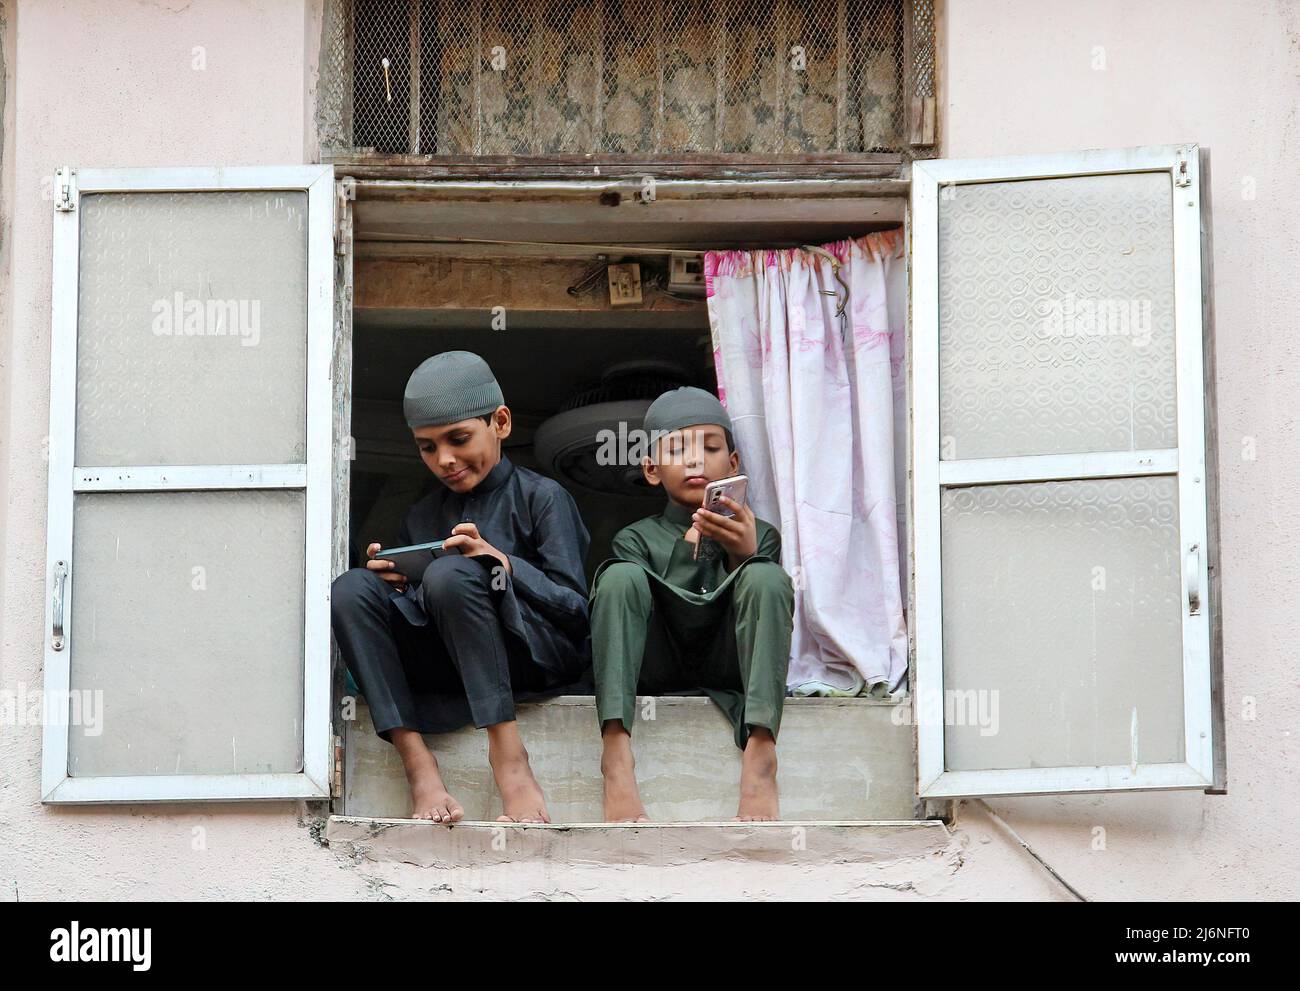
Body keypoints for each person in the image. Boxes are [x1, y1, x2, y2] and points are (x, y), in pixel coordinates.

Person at [331, 351, 590, 824]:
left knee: (451, 573)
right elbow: (422, 612)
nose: (444, 459)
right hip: (454, 664)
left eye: (458, 439)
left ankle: (510, 762)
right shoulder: (422, 515)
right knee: (352, 587)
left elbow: (576, 610)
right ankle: (418, 764)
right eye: (427, 447)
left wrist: (502, 563)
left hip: (531, 656)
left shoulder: (543, 498)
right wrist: (395, 586)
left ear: (502, 423)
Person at [590, 386, 794, 822]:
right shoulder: (635, 538)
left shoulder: (762, 533)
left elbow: (757, 608)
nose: (696, 459)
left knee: (765, 575)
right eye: (677, 448)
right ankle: (616, 753)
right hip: (659, 664)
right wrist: (689, 553)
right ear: (651, 469)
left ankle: (761, 754)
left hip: (727, 663)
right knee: (619, 575)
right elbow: (657, 614)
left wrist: (744, 554)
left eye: (711, 447)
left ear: (733, 464)